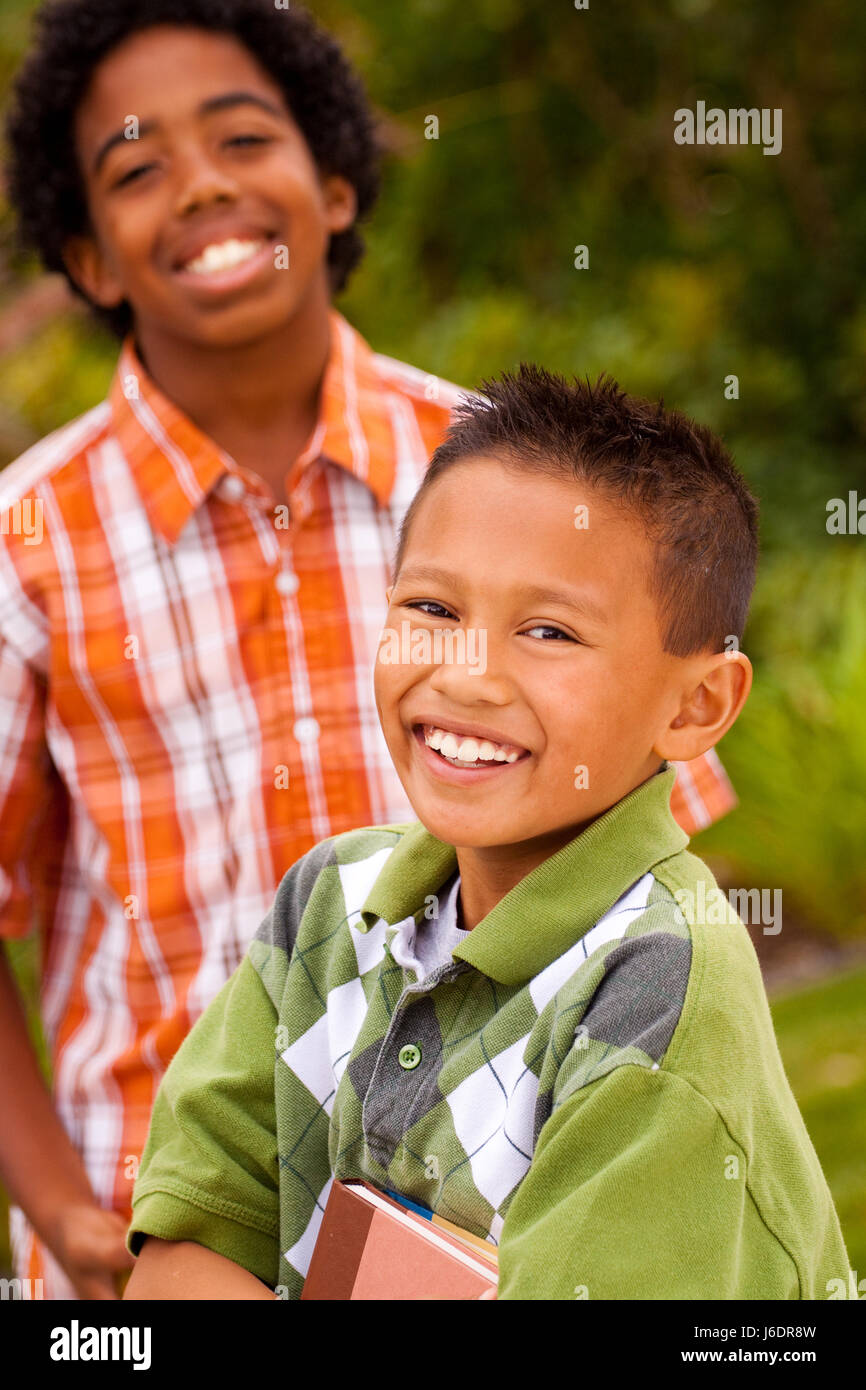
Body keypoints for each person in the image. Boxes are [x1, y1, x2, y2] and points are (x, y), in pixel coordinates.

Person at [0, 0, 736, 1300]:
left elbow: (648, 845)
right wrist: (65, 1206)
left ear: (333, 185)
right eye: (136, 167)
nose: (205, 186)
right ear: (87, 255)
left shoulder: (507, 476)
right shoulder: (26, 545)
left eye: (242, 137)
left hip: (484, 1222)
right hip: (159, 1236)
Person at [123, 367, 849, 1300]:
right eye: (432, 609)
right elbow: (191, 1247)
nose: (466, 675)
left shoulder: (658, 995)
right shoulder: (329, 904)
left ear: (698, 704)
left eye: (548, 632)